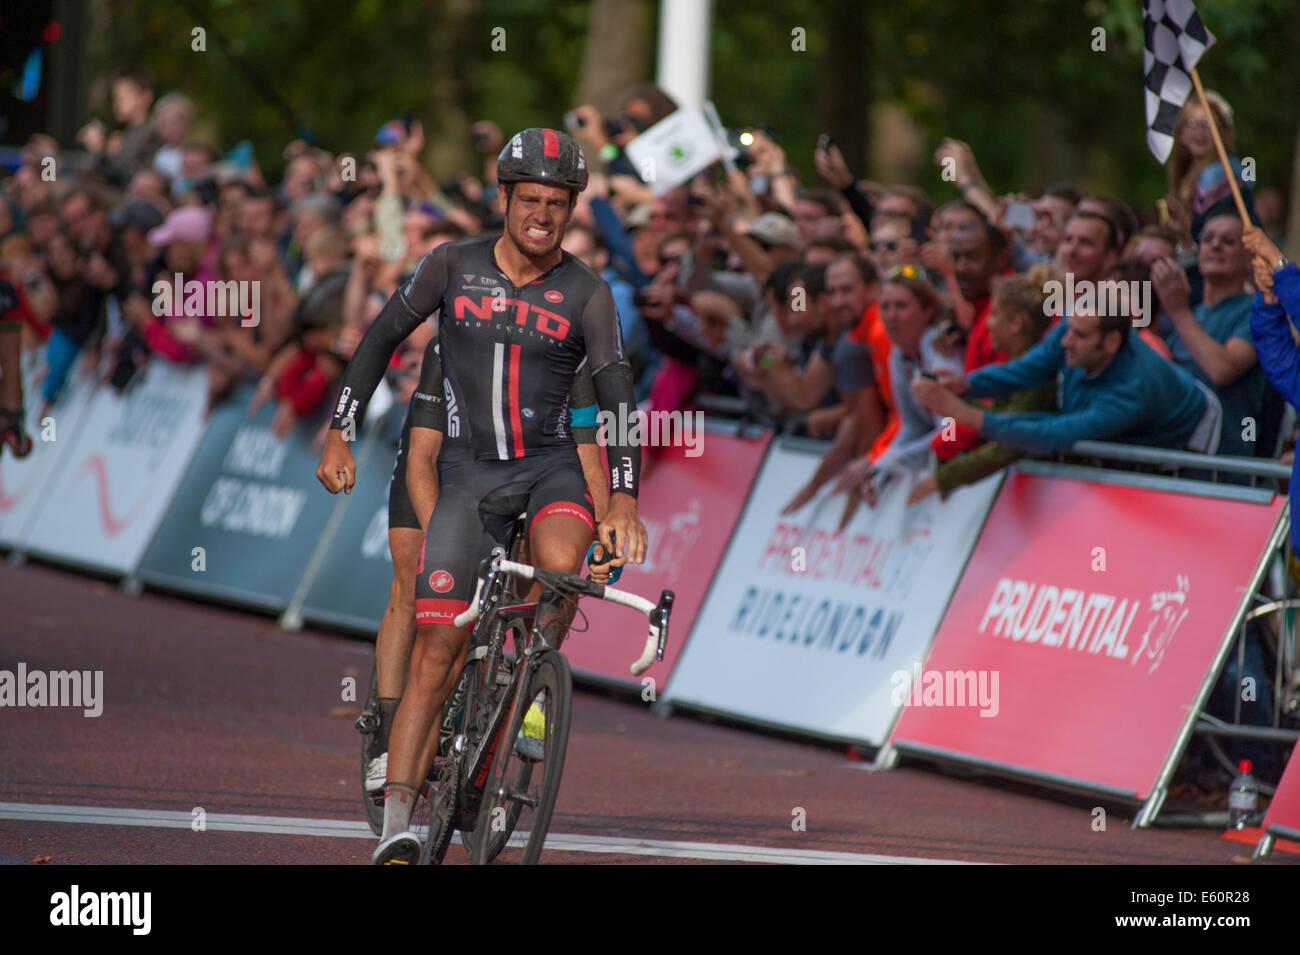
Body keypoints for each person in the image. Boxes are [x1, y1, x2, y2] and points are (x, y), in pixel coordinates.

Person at [315, 128, 647, 865]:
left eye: (558, 204)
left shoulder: (588, 293)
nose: (543, 215)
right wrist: (338, 430)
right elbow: (377, 340)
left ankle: (528, 690)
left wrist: (623, 500)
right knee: (439, 644)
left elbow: (617, 394)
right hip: (468, 471)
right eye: (530, 199)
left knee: (560, 563)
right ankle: (400, 823)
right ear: (503, 197)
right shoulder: (451, 265)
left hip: (552, 468)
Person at [912, 298, 1219, 456]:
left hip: (1191, 433)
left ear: (1111, 342)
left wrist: (960, 412)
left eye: (1079, 336)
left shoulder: (1130, 392)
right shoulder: (1078, 324)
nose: (1065, 342)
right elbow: (1027, 370)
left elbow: (1051, 434)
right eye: (1068, 330)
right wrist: (967, 384)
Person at [908, 264, 1060, 504]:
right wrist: (945, 445)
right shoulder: (1014, 368)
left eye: (995, 314)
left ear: (1016, 324)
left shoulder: (1036, 379)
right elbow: (991, 420)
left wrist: (944, 477)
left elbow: (1009, 443)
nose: (988, 324)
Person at [1150, 212, 1271, 458]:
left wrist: (1177, 310)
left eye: (1228, 241)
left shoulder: (1259, 311)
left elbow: (1223, 369)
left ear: (1251, 259)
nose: (1215, 245)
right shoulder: (1194, 313)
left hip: (1227, 471)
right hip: (1178, 466)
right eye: (1207, 239)